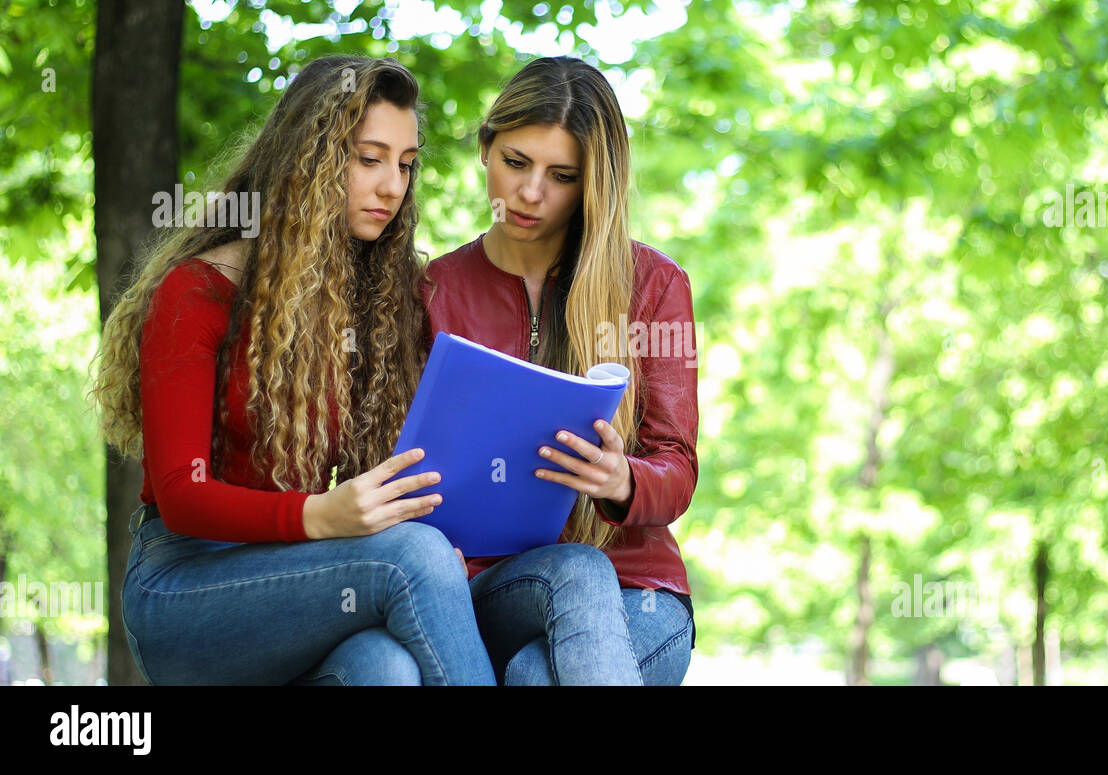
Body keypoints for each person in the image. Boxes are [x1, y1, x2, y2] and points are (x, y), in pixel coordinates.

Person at [91, 56, 495, 685]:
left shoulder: (375, 306)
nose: (393, 185)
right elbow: (180, 493)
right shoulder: (198, 290)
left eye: (406, 163)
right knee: (413, 560)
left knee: (383, 669)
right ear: (310, 159)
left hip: (300, 576)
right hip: (182, 587)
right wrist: (320, 516)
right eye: (369, 158)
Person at [422, 56, 699, 685]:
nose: (530, 193)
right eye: (516, 162)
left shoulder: (655, 285)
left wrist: (622, 479)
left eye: (562, 175)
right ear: (485, 148)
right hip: (487, 584)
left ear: (592, 184)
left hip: (638, 588)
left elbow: (677, 467)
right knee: (565, 590)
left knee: (533, 676)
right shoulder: (432, 289)